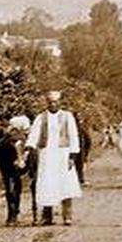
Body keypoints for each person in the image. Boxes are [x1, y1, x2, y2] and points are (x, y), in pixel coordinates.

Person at [25, 91, 82, 225]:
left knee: (66, 184)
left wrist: (72, 156)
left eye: (56, 102)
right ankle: (47, 216)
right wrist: (30, 146)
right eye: (50, 102)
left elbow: (73, 135)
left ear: (60, 102)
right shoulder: (41, 117)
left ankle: (67, 215)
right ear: (47, 103)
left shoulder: (67, 117)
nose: (53, 104)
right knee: (47, 184)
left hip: (63, 154)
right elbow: (34, 134)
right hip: (47, 155)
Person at [0, 116, 31, 225]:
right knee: (12, 189)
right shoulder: (4, 142)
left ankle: (14, 213)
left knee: (14, 189)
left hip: (12, 168)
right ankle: (12, 214)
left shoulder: (23, 141)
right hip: (8, 167)